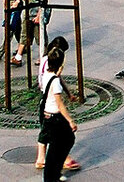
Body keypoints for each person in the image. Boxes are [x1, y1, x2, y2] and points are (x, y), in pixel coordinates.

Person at [34, 36, 81, 174]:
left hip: (46, 107)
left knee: (47, 133)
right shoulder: (53, 78)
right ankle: (60, 162)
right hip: (54, 113)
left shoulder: (48, 68)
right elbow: (60, 104)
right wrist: (71, 120)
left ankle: (43, 160)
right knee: (63, 139)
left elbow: (55, 79)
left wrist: (67, 92)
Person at [10, 0, 46, 66]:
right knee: (24, 33)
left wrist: (39, 15)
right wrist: (17, 1)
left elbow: (44, 1)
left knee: (39, 36)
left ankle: (42, 57)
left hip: (36, 11)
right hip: (27, 10)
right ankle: (18, 57)